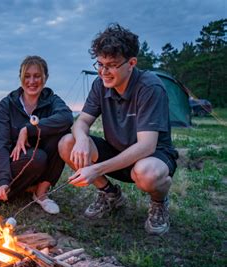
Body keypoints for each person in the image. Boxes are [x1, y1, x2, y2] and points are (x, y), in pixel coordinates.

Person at [58, 24, 178, 235]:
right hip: (116, 152)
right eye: (100, 64)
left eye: (111, 65)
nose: (104, 72)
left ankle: (159, 203)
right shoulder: (100, 85)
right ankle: (110, 195)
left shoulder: (150, 87)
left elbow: (146, 146)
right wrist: (82, 138)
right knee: (68, 142)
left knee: (146, 172)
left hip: (151, 156)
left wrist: (95, 169)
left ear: (131, 63)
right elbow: (81, 122)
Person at [0, 55, 73, 214]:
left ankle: (41, 193)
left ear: (46, 78)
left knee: (64, 133)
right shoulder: (6, 104)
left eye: (37, 76)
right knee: (37, 157)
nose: (32, 81)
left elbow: (67, 118)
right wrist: (1, 180)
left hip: (45, 160)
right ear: (20, 78)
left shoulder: (52, 100)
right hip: (17, 161)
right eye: (27, 76)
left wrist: (29, 129)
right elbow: (1, 144)